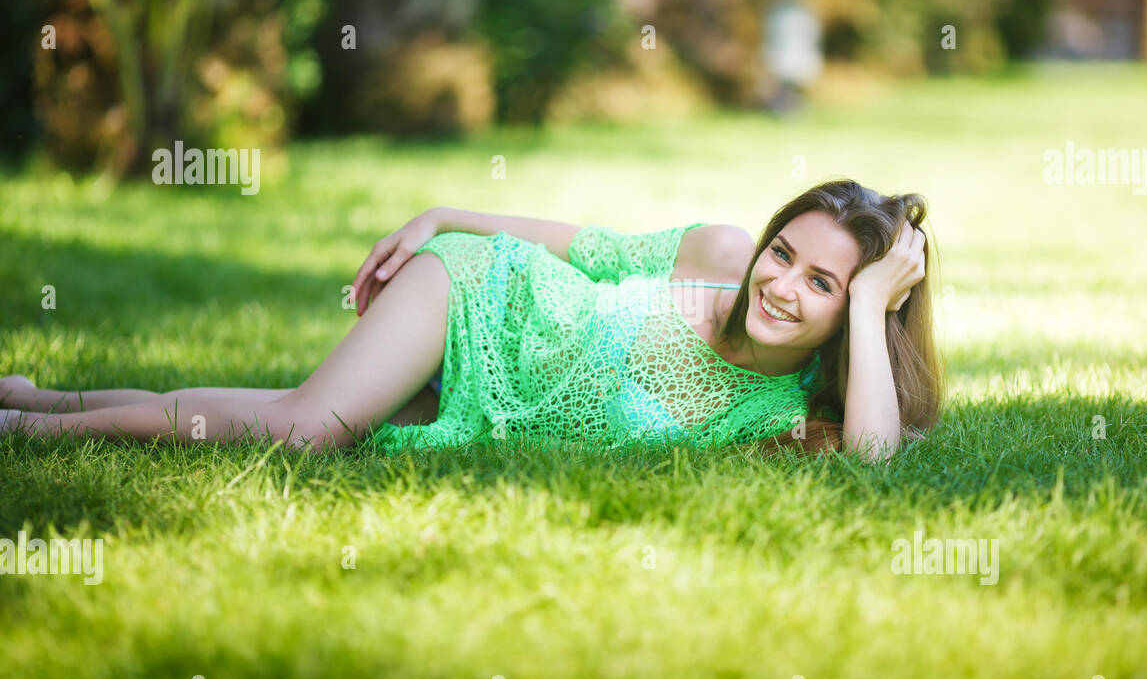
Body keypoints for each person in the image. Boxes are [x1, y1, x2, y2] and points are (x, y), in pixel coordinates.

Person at [1, 178, 943, 460]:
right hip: (478, 297)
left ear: (857, 310)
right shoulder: (719, 254)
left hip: (488, 405)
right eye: (789, 253)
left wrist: (870, 303)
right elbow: (580, 243)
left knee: (269, 407)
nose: (782, 286)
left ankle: (43, 399)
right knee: (303, 429)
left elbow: (871, 459)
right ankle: (26, 429)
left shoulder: (785, 411)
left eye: (825, 285)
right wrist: (444, 218)